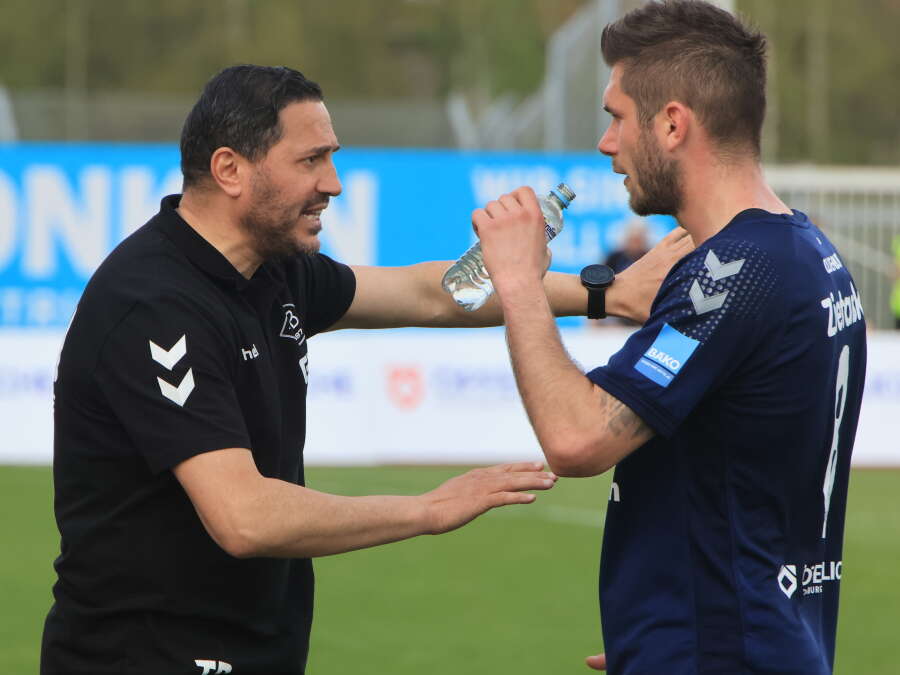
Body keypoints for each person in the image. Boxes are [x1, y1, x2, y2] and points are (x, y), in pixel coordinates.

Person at [40, 64, 690, 675]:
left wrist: (612, 294)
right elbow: (244, 517)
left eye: (333, 158)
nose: (334, 183)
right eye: (311, 160)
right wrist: (427, 509)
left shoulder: (274, 270)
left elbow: (432, 293)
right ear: (230, 169)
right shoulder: (154, 304)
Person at [472, 2, 867, 673]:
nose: (607, 143)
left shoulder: (737, 271)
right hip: (737, 641)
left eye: (616, 117)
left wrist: (518, 280)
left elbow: (577, 437)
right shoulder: (804, 250)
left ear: (674, 124)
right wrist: (667, 620)